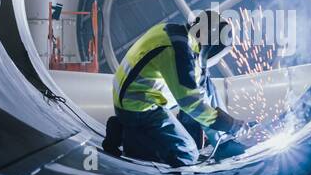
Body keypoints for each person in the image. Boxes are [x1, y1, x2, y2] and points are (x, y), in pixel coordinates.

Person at [102, 10, 252, 166]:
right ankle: (129, 135)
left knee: (205, 84)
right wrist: (229, 124)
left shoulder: (178, 33)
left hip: (138, 95)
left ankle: (223, 144)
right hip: (138, 108)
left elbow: (200, 85)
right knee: (187, 154)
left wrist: (222, 130)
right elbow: (190, 102)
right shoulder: (178, 50)